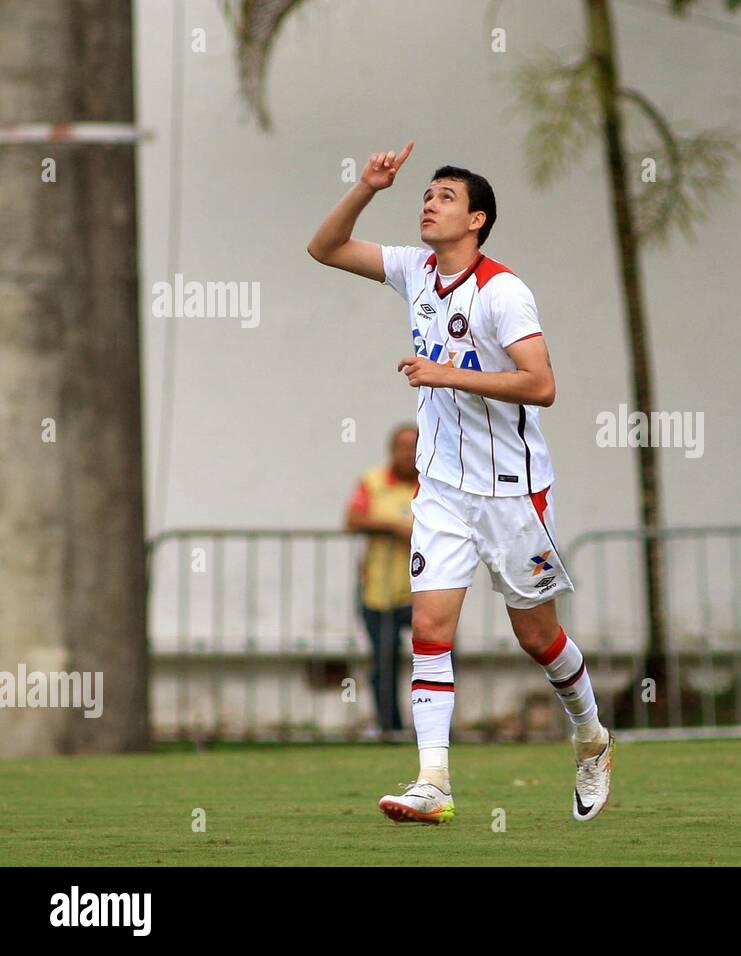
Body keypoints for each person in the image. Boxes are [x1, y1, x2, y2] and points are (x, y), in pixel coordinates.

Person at [308, 143, 614, 824]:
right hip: (443, 491)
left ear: (476, 220)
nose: (429, 202)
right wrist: (365, 186)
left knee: (537, 637)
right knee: (430, 628)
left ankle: (591, 735)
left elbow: (542, 384)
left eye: (445, 196)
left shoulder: (504, 291)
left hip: (512, 492)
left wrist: (448, 373)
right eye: (426, 193)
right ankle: (434, 781)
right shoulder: (415, 270)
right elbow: (324, 248)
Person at [345, 423, 419, 735]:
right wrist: (395, 528)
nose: (409, 453)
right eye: (403, 446)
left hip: (425, 592)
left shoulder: (436, 481)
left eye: (415, 445)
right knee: (384, 664)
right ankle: (391, 731)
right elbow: (352, 519)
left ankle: (435, 734)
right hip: (379, 591)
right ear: (392, 451)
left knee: (437, 663)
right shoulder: (373, 481)